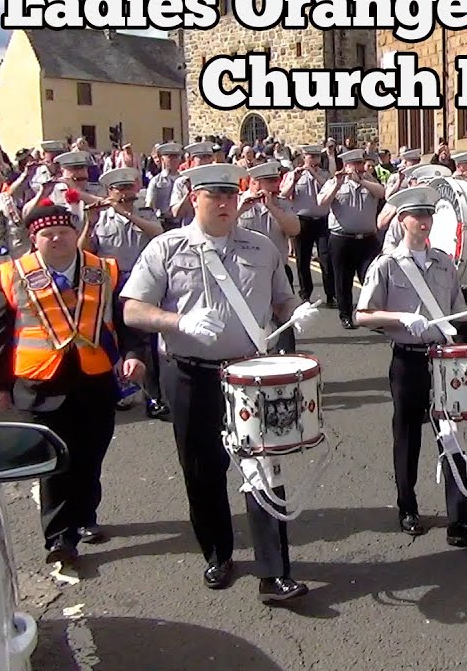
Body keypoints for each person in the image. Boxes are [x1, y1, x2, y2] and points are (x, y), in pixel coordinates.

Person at [120, 163, 319, 603]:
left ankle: (274, 571)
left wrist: (294, 312)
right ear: (195, 198)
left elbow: (282, 298)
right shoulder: (167, 248)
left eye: (230, 195)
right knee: (203, 469)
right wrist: (178, 321)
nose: (225, 203)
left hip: (250, 373)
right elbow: (133, 310)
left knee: (265, 469)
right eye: (215, 196)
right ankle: (218, 552)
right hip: (190, 373)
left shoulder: (262, 247)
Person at [0, 201, 146, 567]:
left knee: (90, 456)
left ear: (74, 234)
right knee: (53, 462)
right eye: (48, 234)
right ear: (35, 239)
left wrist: (133, 353)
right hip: (39, 385)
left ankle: (85, 516)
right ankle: (60, 538)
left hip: (94, 381)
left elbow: (126, 320)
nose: (57, 239)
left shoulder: (103, 270)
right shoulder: (13, 274)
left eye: (64, 231)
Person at [355, 185, 467, 545]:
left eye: (428, 215)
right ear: (402, 220)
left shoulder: (444, 262)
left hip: (441, 360)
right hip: (407, 360)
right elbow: (363, 315)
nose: (424, 222)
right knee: (407, 436)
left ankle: (459, 520)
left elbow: (453, 314)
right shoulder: (386, 265)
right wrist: (401, 318)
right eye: (417, 216)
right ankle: (407, 507)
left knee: (452, 435)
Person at [80, 167, 168, 418]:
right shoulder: (100, 218)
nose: (126, 193)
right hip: (110, 285)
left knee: (150, 343)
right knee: (117, 341)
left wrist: (128, 215)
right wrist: (89, 225)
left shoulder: (145, 212)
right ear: (110, 192)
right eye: (120, 189)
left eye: (129, 188)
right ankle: (124, 391)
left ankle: (155, 396)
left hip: (143, 284)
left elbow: (158, 233)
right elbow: (83, 252)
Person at [235, 162, 301, 353]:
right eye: (270, 181)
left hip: (278, 271)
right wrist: (241, 208)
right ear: (255, 183)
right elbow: (222, 230)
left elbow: (294, 229)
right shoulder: (238, 203)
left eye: (277, 180)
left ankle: (288, 359)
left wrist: (272, 207)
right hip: (245, 274)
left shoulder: (282, 204)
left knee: (284, 320)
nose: (276, 185)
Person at [319, 149, 387, 329]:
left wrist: (362, 181)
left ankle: (371, 314)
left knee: (371, 277)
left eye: (360, 163)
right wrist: (336, 185)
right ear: (347, 166)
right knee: (343, 279)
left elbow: (382, 193)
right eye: (355, 164)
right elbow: (322, 203)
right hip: (342, 239)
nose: (359, 167)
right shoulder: (334, 182)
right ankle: (346, 314)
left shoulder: (370, 181)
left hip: (367, 239)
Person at [280, 144, 336, 308]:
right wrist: (294, 180)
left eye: (317, 156)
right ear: (304, 158)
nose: (314, 160)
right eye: (310, 157)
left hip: (322, 220)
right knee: (302, 259)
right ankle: (305, 294)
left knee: (326, 258)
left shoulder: (324, 174)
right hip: (302, 220)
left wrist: (313, 173)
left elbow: (328, 187)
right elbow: (284, 194)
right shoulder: (293, 174)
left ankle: (330, 294)